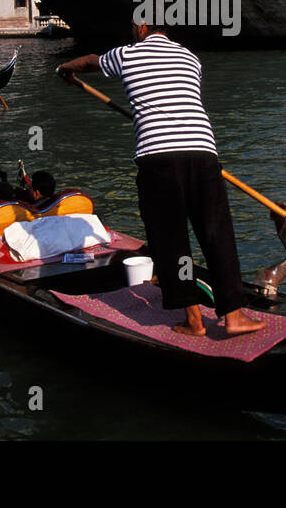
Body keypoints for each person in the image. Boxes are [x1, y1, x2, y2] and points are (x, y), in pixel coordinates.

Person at [57, 23, 266, 338]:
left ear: (141, 27)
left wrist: (64, 69)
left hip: (158, 157)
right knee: (217, 234)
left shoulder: (127, 54)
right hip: (202, 152)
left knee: (170, 239)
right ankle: (234, 315)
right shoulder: (190, 57)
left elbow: (89, 61)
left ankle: (194, 320)